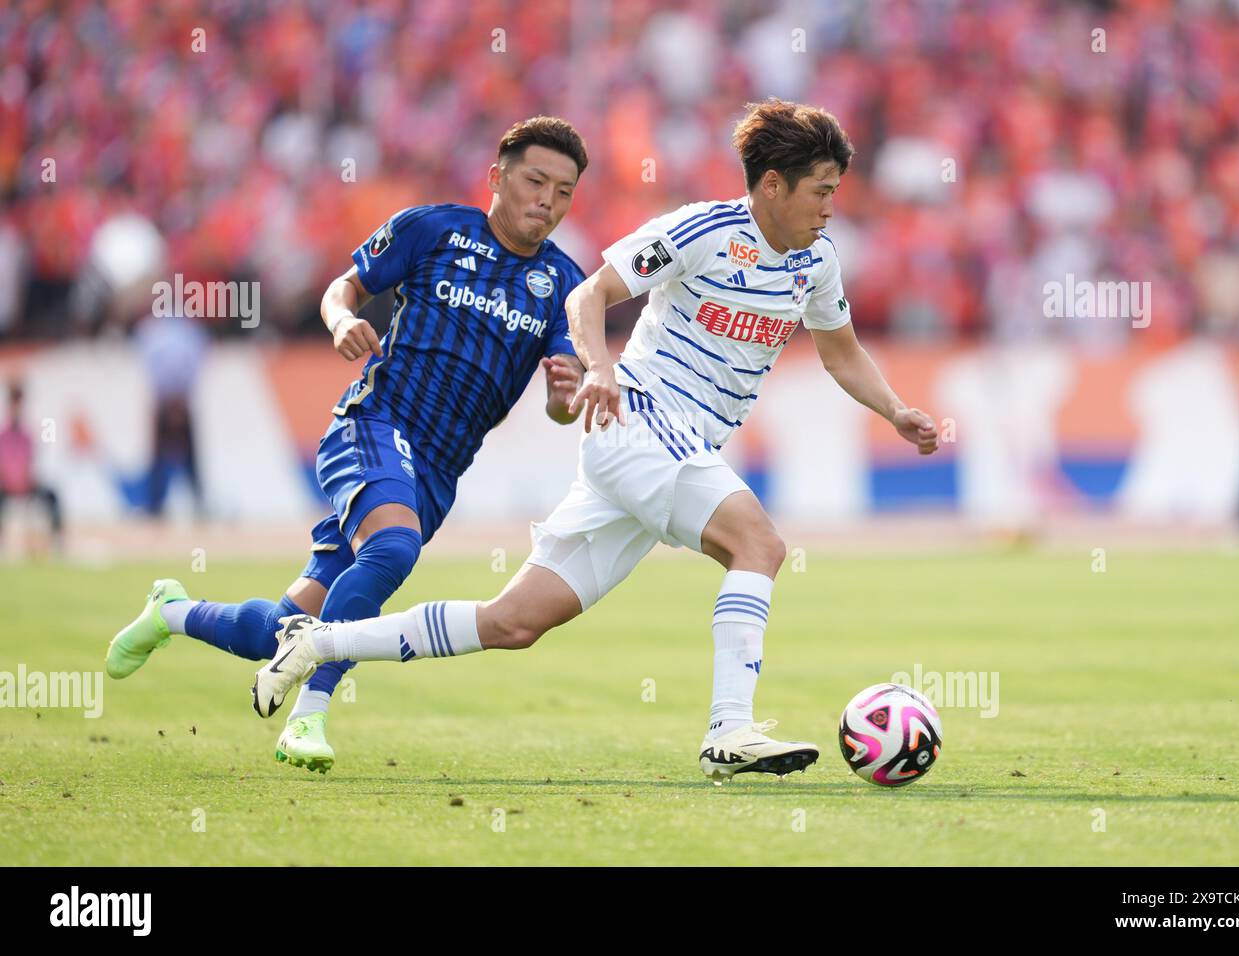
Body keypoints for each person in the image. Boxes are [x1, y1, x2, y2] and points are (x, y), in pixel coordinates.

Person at [252, 99, 940, 783]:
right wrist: (602, 371)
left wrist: (896, 410)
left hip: (669, 445)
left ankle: (316, 642)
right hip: (640, 417)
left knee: (514, 622)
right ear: (771, 185)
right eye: (819, 191)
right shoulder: (701, 230)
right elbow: (587, 297)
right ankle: (729, 730)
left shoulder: (815, 262)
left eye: (834, 192)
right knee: (759, 545)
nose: (828, 207)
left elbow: (841, 353)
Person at [107, 117, 591, 773]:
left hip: (437, 472)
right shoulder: (435, 229)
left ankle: (173, 611)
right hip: (371, 422)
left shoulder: (563, 283)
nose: (548, 202)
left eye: (564, 192)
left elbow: (563, 406)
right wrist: (340, 321)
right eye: (537, 181)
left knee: (274, 630)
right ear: (498, 177)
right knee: (394, 547)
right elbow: (346, 288)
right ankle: (308, 719)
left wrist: (566, 395)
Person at [0, 381, 63, 552]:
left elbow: (32, 464)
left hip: (27, 486)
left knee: (52, 496)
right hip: (7, 487)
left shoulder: (28, 434)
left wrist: (28, 480)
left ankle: (58, 542)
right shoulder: (3, 435)